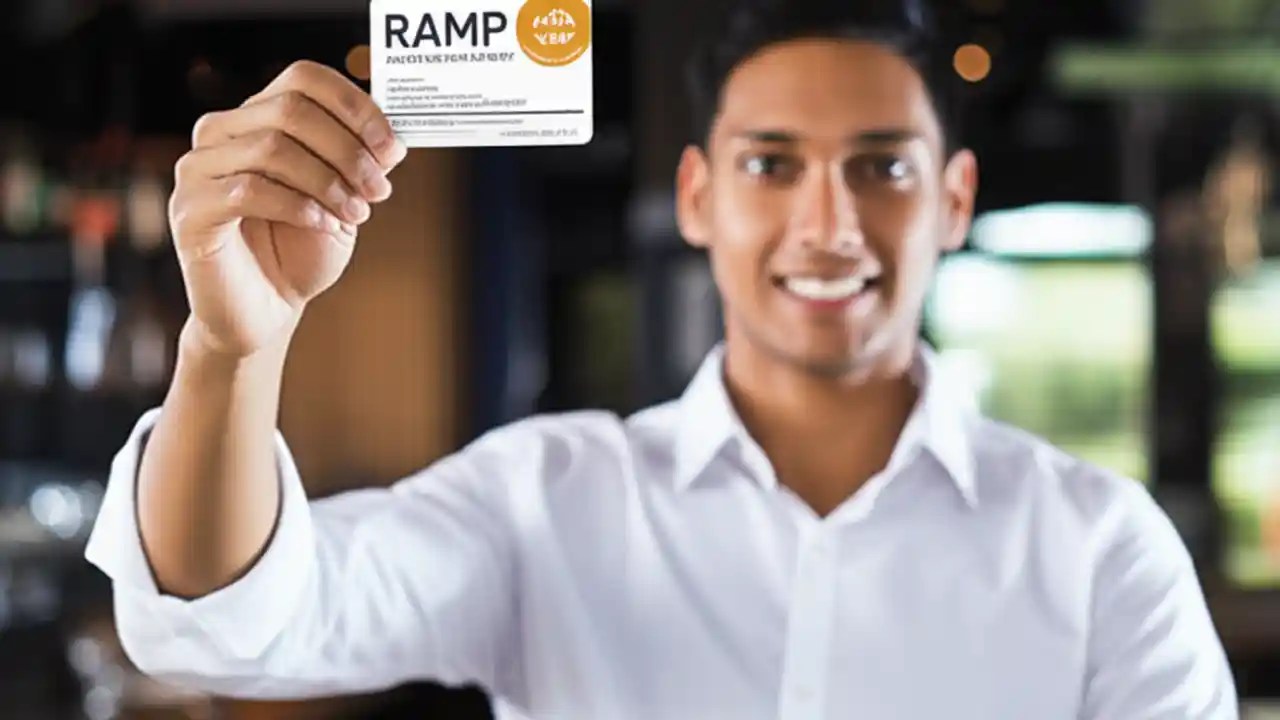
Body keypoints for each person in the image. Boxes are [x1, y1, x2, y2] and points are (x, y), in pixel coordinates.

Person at [84, 0, 1239, 717]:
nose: (828, 223)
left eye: (880, 167)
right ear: (697, 197)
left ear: (951, 199)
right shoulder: (545, 501)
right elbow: (233, 621)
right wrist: (234, 347)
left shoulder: (1096, 547)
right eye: (771, 165)